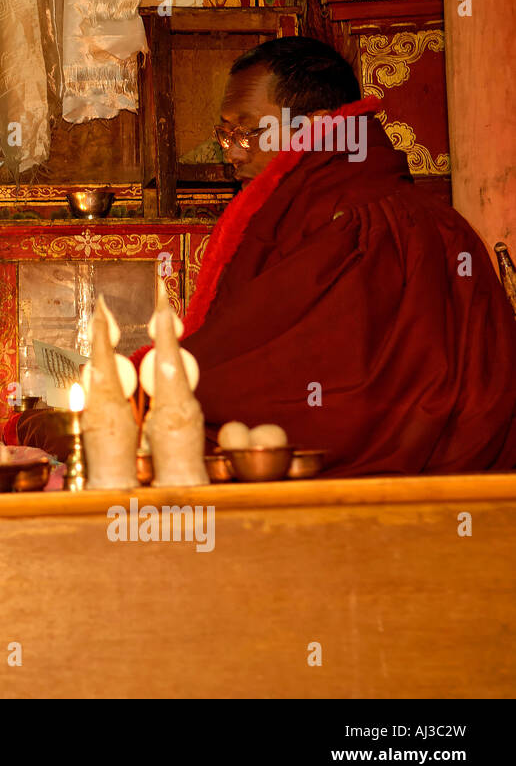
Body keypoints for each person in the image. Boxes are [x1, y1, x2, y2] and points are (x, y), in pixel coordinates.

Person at [179, 36, 516, 475]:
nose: (235, 152)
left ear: (316, 126)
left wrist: (160, 384)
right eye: (225, 134)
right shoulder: (388, 214)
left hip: (418, 499)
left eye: (249, 131)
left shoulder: (360, 226)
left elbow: (326, 393)